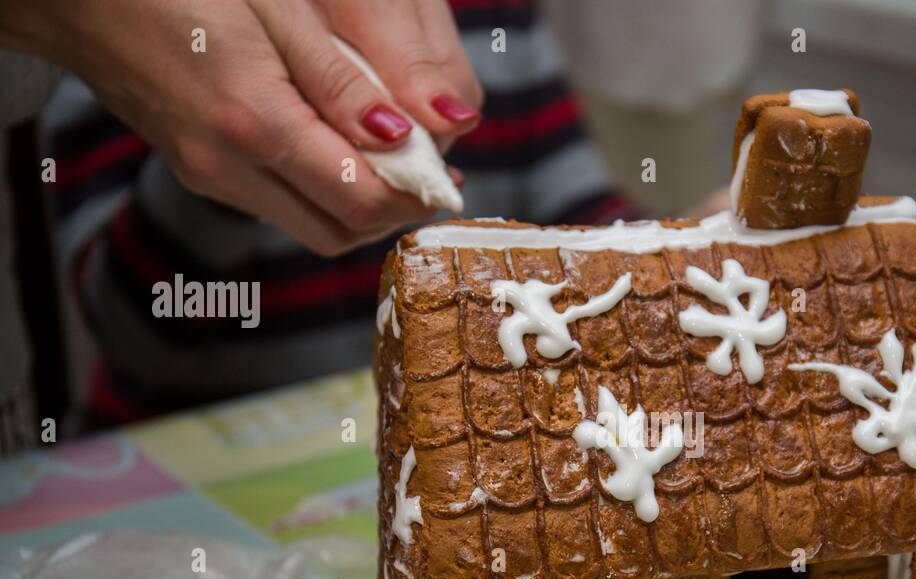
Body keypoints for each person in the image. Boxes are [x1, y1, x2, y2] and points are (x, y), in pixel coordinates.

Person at [0, 0, 641, 430]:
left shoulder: (493, 18)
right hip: (182, 476)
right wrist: (228, 178)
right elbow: (131, 330)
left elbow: (577, 220)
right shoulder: (134, 32)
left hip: (451, 434)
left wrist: (659, 252)